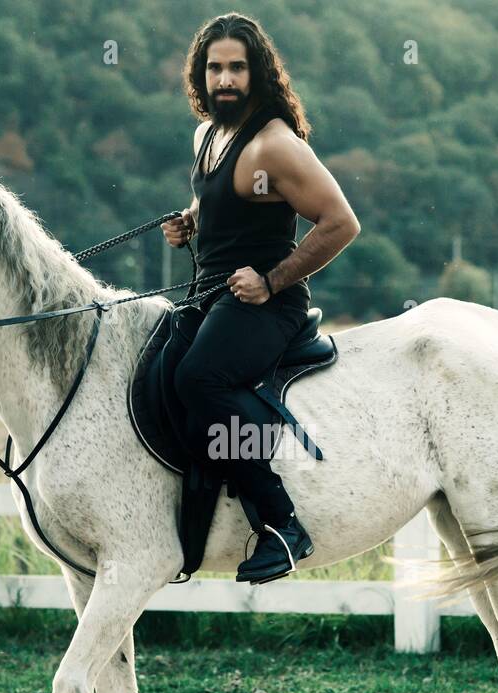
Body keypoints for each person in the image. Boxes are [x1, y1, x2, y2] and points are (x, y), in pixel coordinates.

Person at [161, 13, 360, 584]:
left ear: (258, 73)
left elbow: (340, 223)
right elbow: (223, 200)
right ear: (201, 74)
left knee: (199, 379)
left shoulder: (275, 144)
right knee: (163, 370)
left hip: (268, 305)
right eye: (215, 68)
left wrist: (271, 281)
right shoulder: (208, 137)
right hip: (213, 294)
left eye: (237, 68)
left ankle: (281, 523)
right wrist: (191, 221)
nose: (225, 79)